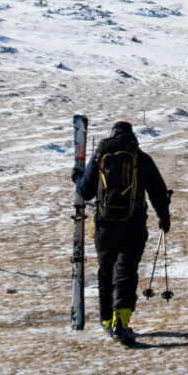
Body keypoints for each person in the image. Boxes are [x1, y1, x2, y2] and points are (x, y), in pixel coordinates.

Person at [73, 121, 173, 346]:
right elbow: (158, 190)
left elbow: (85, 192)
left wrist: (77, 177)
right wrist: (163, 217)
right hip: (134, 224)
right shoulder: (141, 158)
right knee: (126, 271)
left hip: (104, 227)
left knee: (106, 272)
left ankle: (107, 321)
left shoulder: (100, 157)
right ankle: (122, 322)